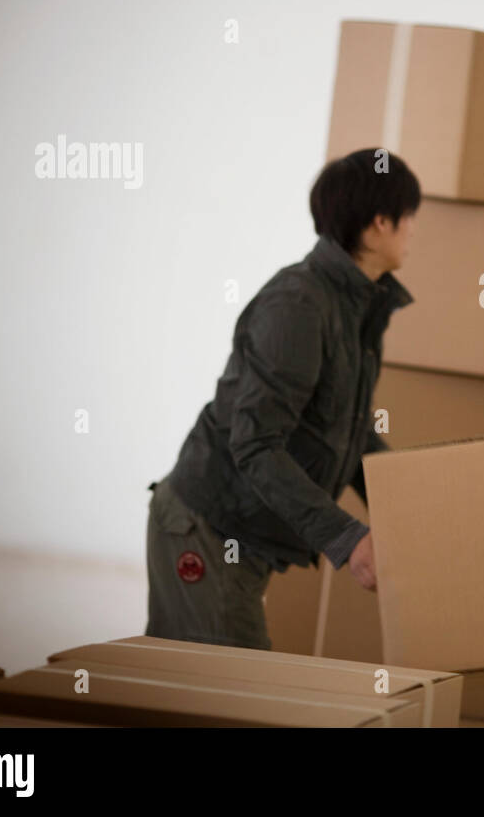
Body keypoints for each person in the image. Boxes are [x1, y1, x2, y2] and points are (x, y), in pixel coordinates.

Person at [144, 148, 419, 649]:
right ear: (379, 224)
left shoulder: (357, 307)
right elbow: (256, 443)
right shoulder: (299, 305)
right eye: (407, 219)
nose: (412, 232)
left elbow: (348, 434)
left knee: (200, 697)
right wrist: (348, 538)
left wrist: (415, 502)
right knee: (232, 704)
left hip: (241, 535)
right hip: (209, 529)